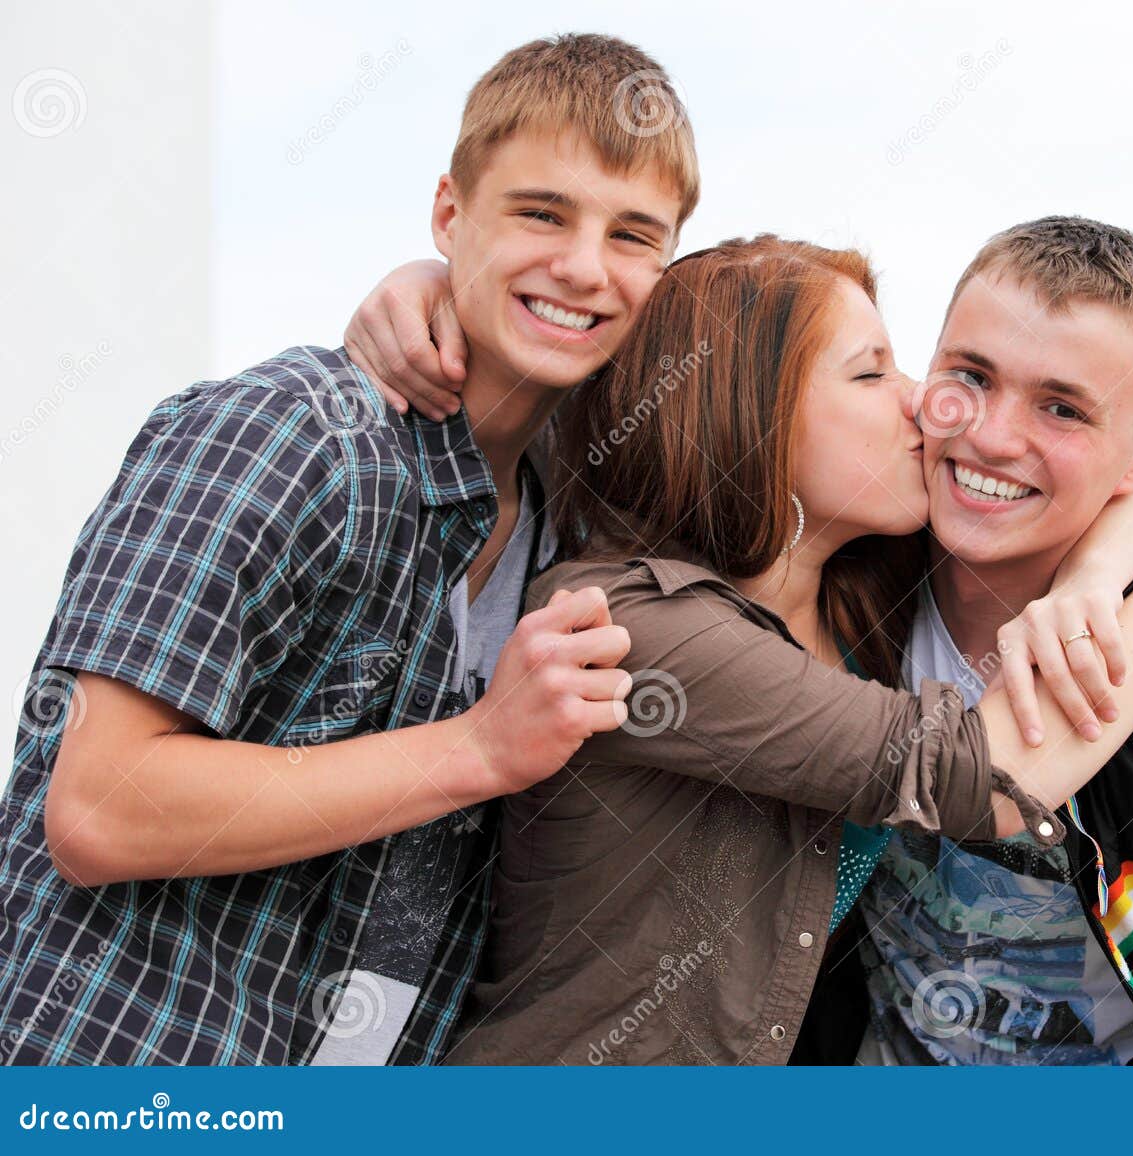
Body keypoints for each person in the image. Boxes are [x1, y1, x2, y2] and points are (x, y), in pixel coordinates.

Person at [362, 217, 1133, 1066]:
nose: (955, 422)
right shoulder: (698, 616)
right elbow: (978, 774)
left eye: (1062, 408)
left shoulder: (883, 610)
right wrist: (432, 287)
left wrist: (1111, 572)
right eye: (941, 377)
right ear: (755, 413)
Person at [0, 33, 696, 1066]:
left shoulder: (571, 517)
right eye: (540, 212)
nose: (586, 265)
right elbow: (101, 807)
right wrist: (478, 750)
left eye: (633, 234)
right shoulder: (289, 435)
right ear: (450, 215)